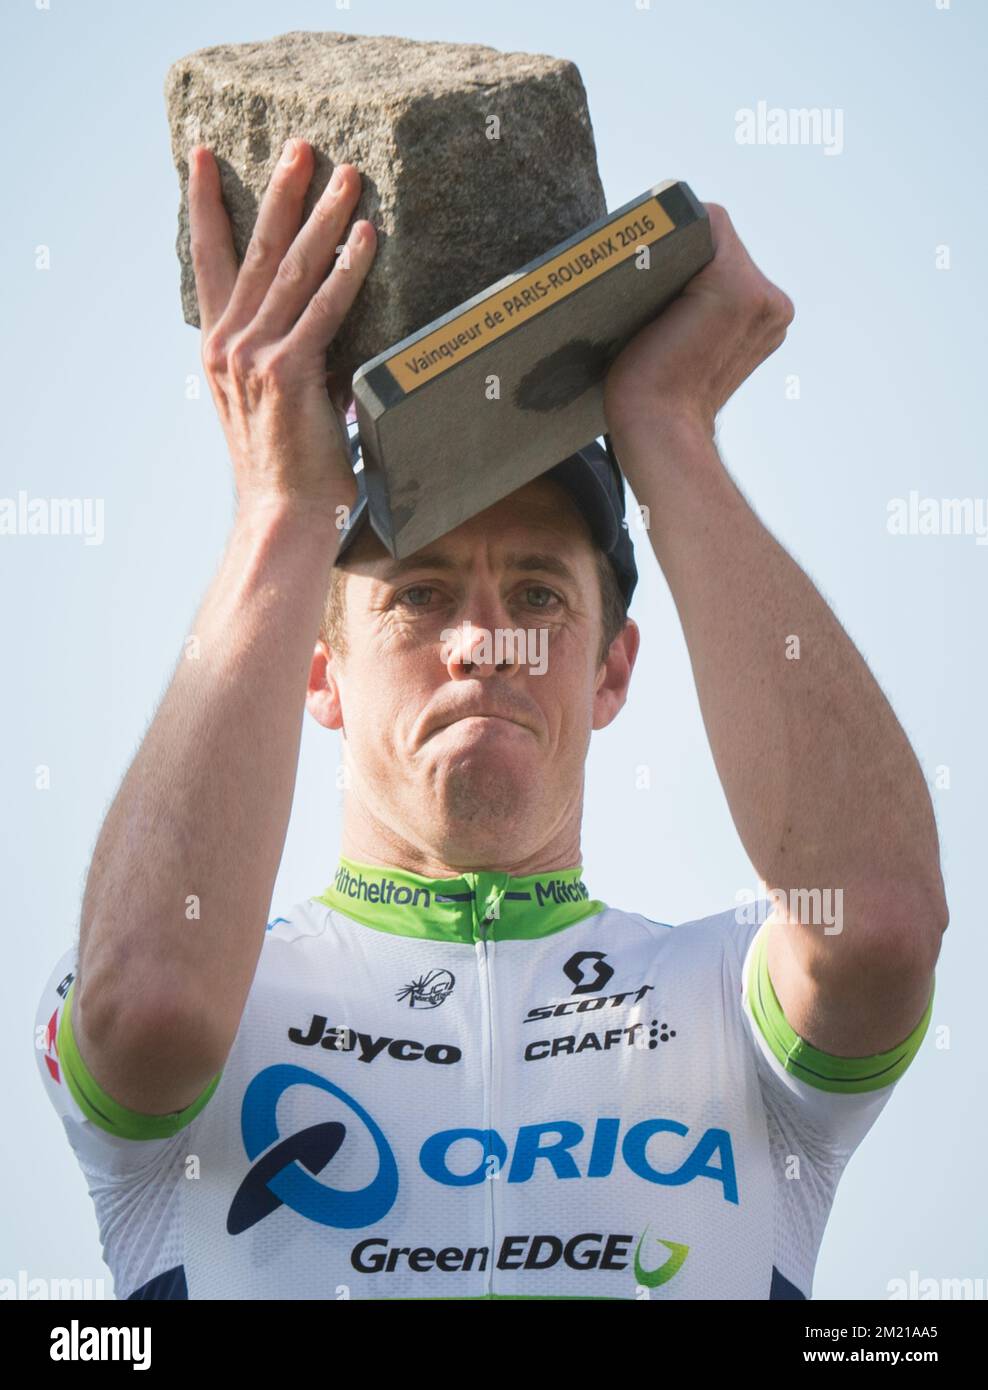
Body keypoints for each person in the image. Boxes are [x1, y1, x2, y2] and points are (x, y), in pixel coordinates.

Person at [34, 138, 946, 1300]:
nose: (484, 640)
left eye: (537, 596)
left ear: (612, 672)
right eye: (418, 596)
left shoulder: (721, 998)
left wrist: (669, 431)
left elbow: (876, 923)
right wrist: (282, 507)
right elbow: (145, 1003)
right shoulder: (219, 995)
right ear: (318, 675)